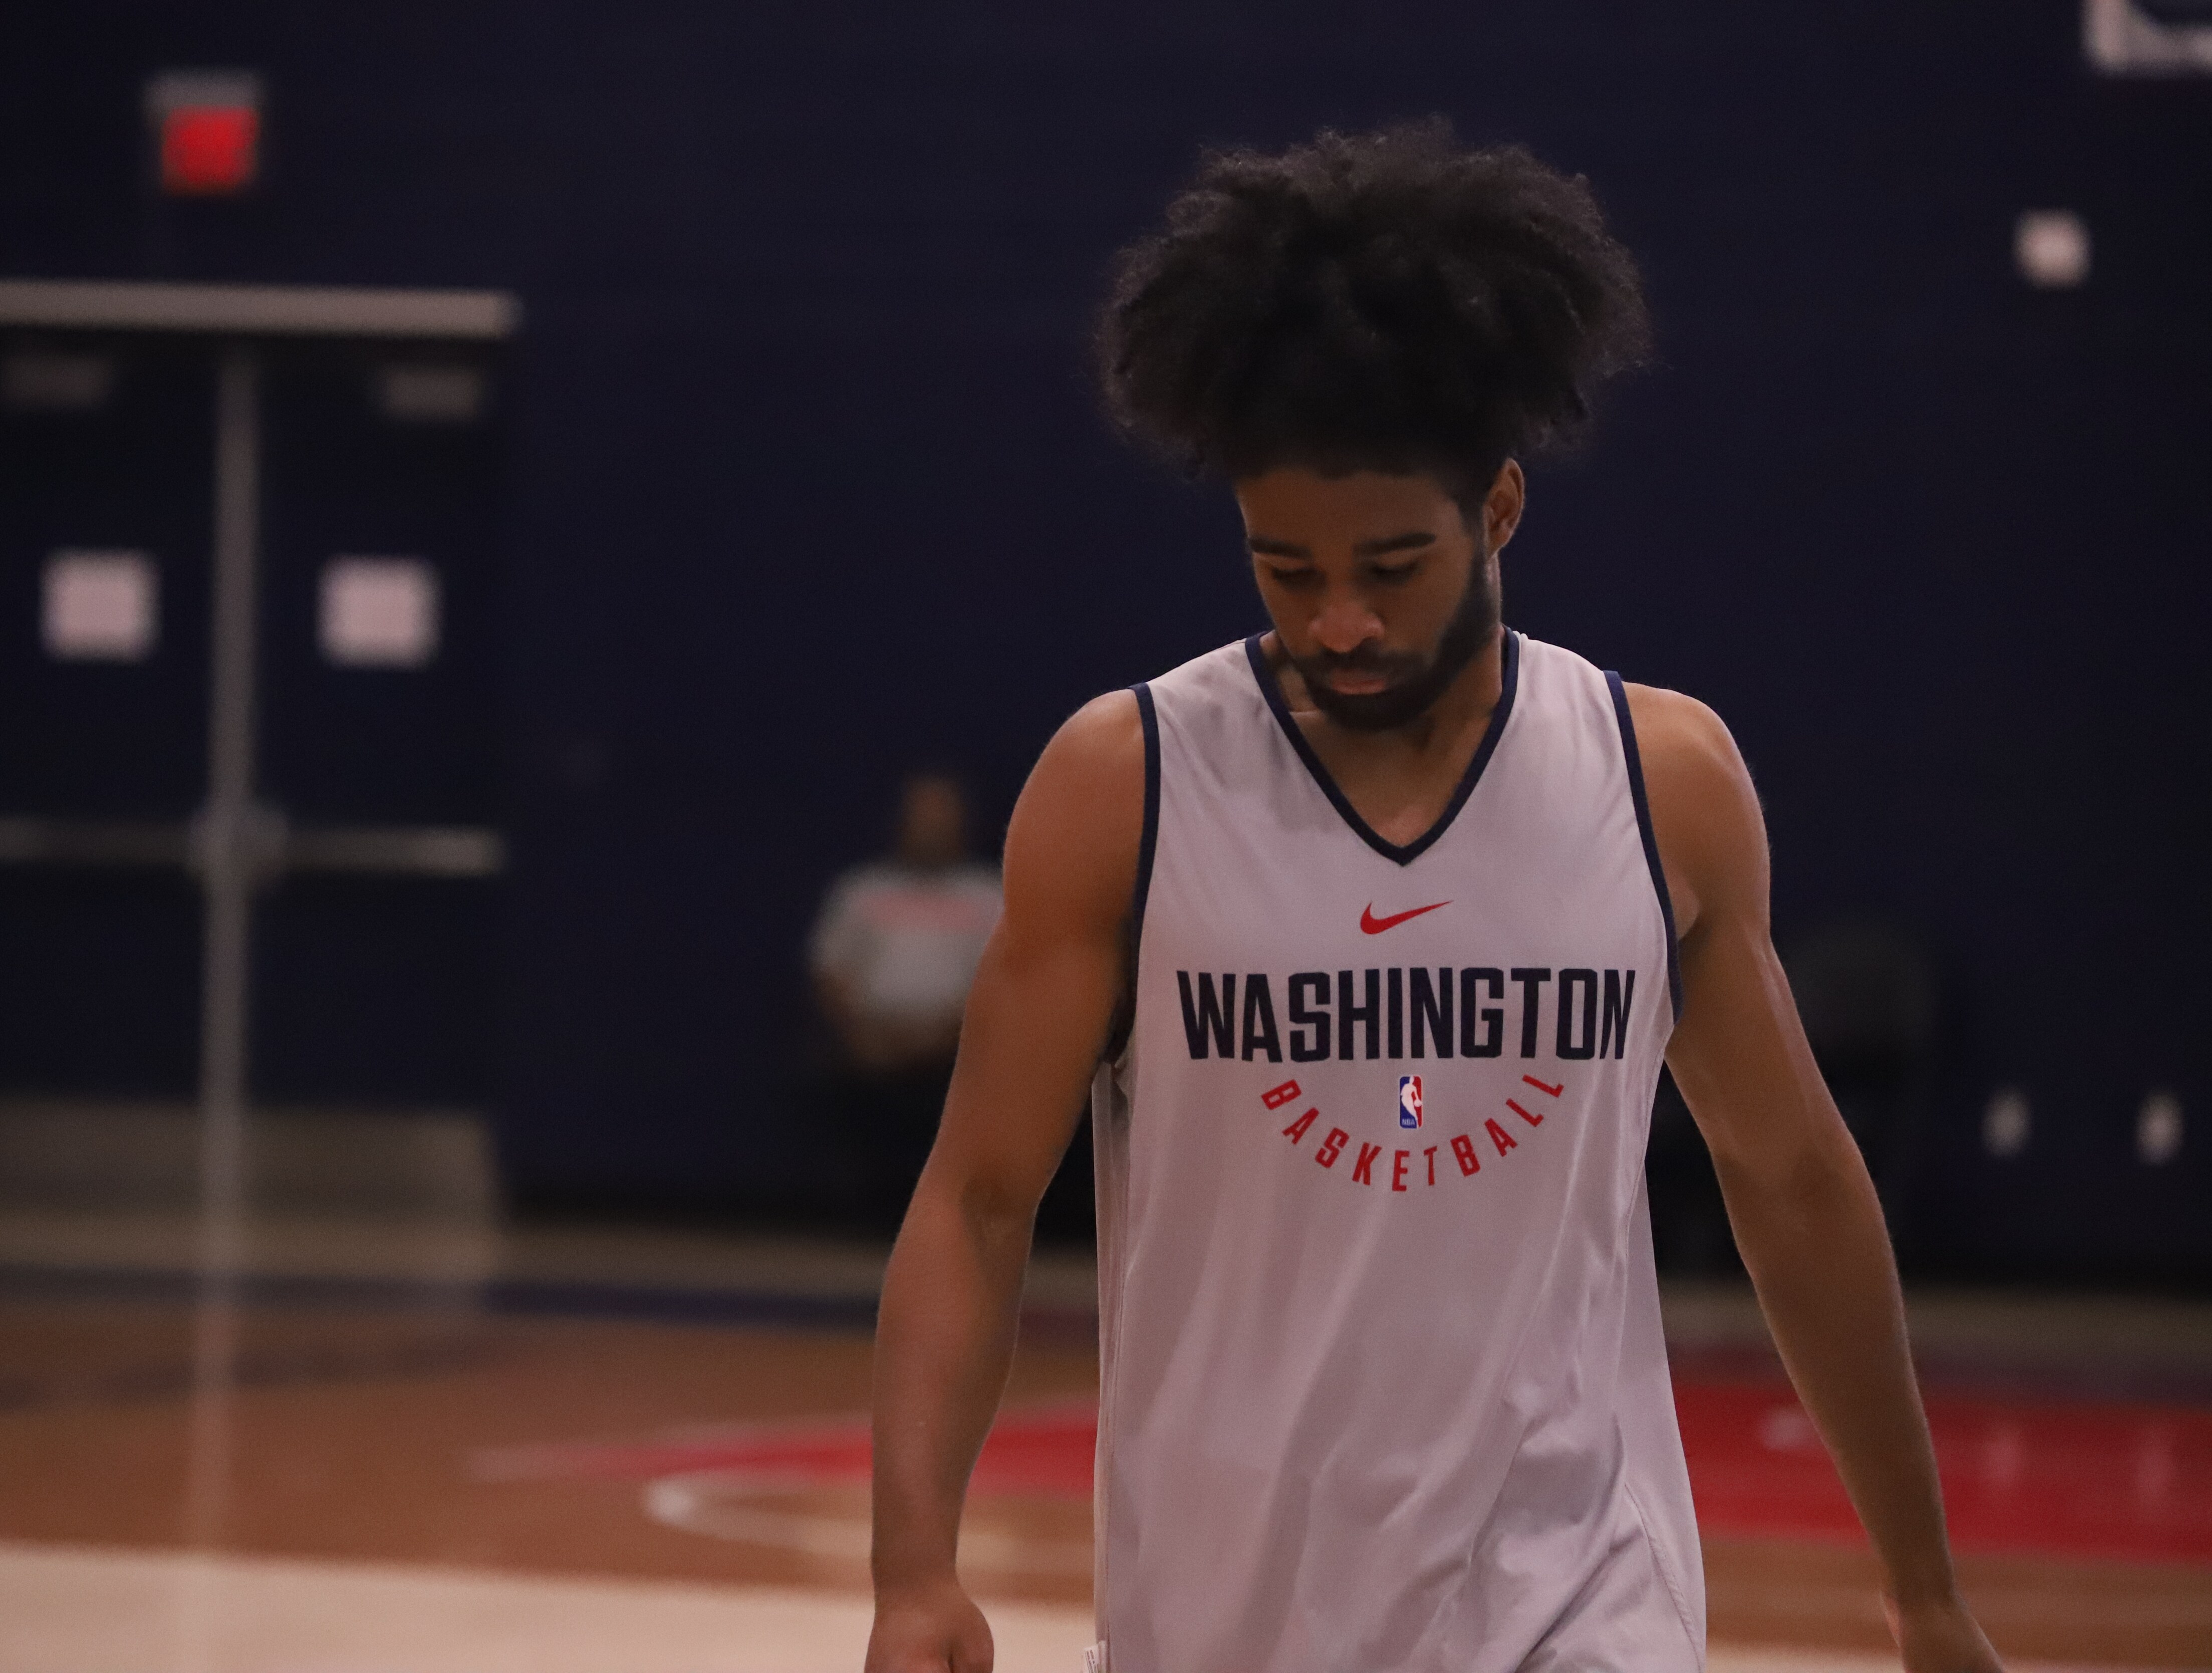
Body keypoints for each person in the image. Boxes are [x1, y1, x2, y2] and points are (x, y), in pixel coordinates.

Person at [865, 124, 2003, 1673]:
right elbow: (979, 1199)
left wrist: (1922, 1587)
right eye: (1286, 570)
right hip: (1229, 1605)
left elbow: (1793, 1182)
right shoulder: (1122, 783)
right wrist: (909, 1566)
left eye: (1390, 566)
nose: (1337, 618)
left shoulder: (1652, 775)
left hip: (1575, 1591)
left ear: (1501, 513)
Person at [810, 771, 1004, 1227]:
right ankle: (863, 1218)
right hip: (869, 1042)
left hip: (960, 1046)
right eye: (923, 819)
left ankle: (956, 1216)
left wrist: (945, 1036)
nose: (931, 830)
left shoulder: (989, 896)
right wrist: (863, 1034)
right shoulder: (862, 891)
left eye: (942, 820)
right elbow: (829, 971)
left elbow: (1004, 980)